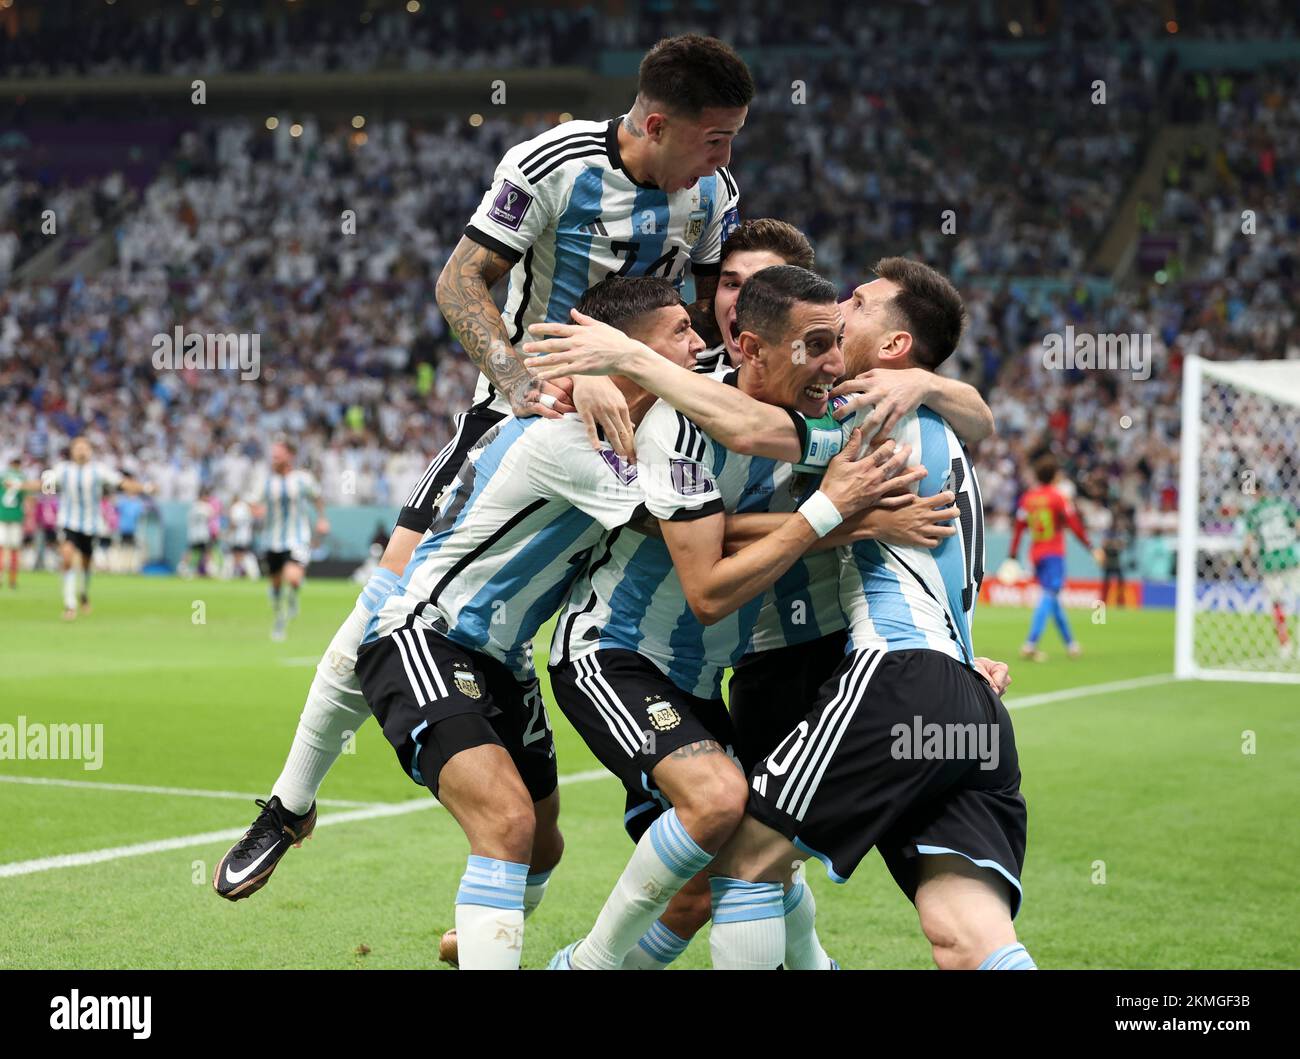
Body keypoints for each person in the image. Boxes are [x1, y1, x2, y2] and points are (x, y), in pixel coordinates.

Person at [214, 32, 756, 906]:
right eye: (716, 139)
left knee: (616, 622)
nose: (726, 159)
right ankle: (289, 803)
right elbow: (461, 281)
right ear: (657, 122)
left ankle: (647, 831)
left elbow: (691, 309)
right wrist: (530, 381)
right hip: (523, 423)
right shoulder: (550, 164)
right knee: (385, 611)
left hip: (641, 429)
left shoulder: (712, 196)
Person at [526, 257, 1003, 968]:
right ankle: (585, 963)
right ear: (748, 338)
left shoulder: (844, 400)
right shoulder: (684, 416)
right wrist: (606, 365)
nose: (837, 341)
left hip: (747, 666)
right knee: (738, 835)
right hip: (622, 651)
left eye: (850, 317)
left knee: (739, 861)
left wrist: (927, 384)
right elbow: (710, 575)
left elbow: (974, 421)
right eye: (821, 335)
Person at [40, 437, 153, 621]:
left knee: (85, 562)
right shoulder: (62, 469)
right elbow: (44, 484)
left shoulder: (99, 470)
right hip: (68, 522)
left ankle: (83, 592)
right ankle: (70, 604)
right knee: (67, 557)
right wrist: (20, 486)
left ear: (90, 450)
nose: (81, 451)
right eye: (78, 447)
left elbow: (122, 483)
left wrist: (145, 487)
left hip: (91, 524)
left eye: (85, 447)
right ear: (72, 451)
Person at [1009, 455, 1095, 661]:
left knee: (1053, 600)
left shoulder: (1028, 498)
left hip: (1036, 554)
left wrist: (1012, 554)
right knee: (1049, 594)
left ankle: (1071, 644)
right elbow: (1073, 524)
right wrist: (1090, 546)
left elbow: (1019, 528)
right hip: (1054, 553)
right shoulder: (1058, 497)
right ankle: (1031, 642)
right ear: (1055, 475)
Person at [249, 441, 328, 641]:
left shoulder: (302, 479)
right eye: (273, 456)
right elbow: (253, 504)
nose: (273, 459)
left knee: (293, 577)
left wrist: (321, 518)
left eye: (277, 455)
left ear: (289, 456)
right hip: (271, 540)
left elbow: (317, 497)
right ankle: (279, 617)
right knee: (275, 584)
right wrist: (257, 511)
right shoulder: (265, 481)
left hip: (298, 538)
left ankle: (292, 599)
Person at [1240, 481, 1300, 657]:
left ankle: (1284, 644)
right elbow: (1298, 525)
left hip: (1269, 562)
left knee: (1276, 603)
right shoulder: (1282, 505)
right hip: (1289, 558)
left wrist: (1246, 558)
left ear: (1254, 493)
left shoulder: (1253, 513)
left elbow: (1249, 541)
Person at [1, 456, 32, 589]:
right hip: (16, 516)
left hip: (1, 515)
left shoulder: (2, 476)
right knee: (14, 550)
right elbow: (28, 499)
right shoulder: (22, 477)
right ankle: (12, 580)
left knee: (1, 550)